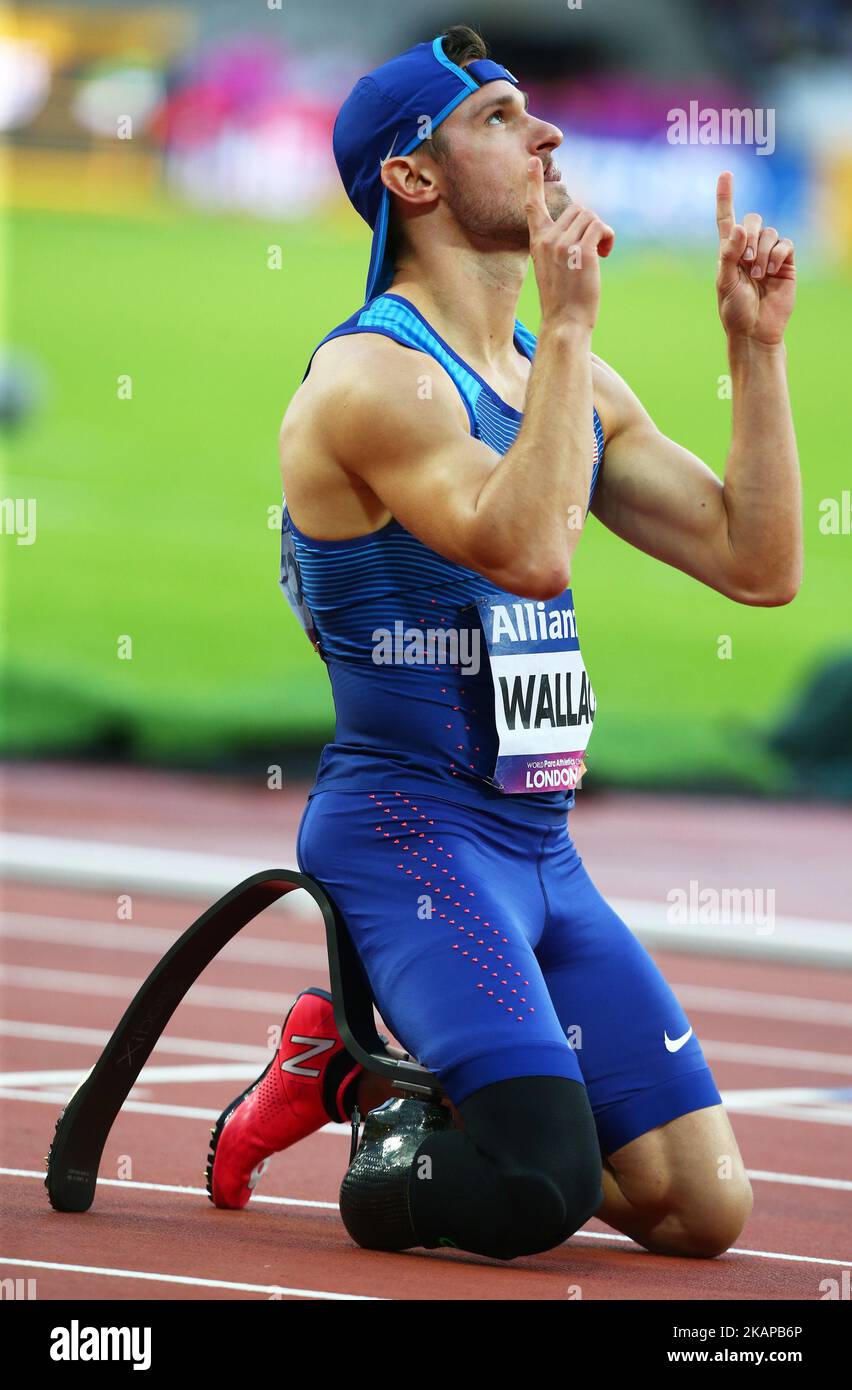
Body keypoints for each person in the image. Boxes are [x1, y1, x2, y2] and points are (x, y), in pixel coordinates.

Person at [207, 25, 800, 1262]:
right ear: (412, 179)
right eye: (500, 119)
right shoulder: (373, 379)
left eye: (536, 111)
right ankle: (372, 1083)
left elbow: (758, 565)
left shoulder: (551, 367)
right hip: (409, 833)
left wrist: (756, 351)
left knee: (706, 1211)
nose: (549, 136)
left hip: (542, 845)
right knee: (540, 1181)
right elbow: (526, 548)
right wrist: (572, 325)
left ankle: (351, 1036)